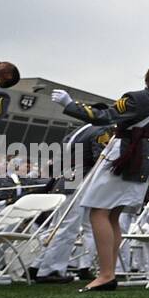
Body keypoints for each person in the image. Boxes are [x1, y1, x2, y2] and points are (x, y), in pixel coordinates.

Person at [76, 55, 149, 292]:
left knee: (98, 212)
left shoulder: (135, 98)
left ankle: (105, 274)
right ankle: (108, 272)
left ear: (146, 78)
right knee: (112, 215)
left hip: (125, 154)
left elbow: (104, 116)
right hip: (144, 157)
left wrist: (68, 104)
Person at [34, 96, 118, 283]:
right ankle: (52, 270)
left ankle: (38, 265)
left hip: (63, 180)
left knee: (60, 226)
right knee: (68, 227)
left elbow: (57, 162)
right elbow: (100, 160)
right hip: (81, 182)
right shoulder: (101, 130)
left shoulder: (75, 132)